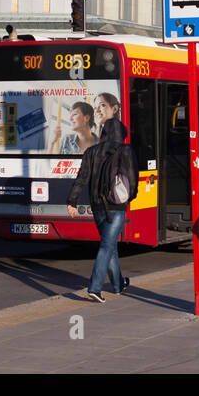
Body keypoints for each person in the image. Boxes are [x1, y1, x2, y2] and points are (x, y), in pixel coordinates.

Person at [66, 101, 135, 302]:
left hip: (96, 206)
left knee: (110, 245)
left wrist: (72, 201)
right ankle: (95, 288)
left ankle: (118, 285)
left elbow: (81, 179)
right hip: (116, 206)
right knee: (107, 246)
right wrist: (129, 198)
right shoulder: (126, 151)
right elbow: (133, 179)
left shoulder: (91, 152)